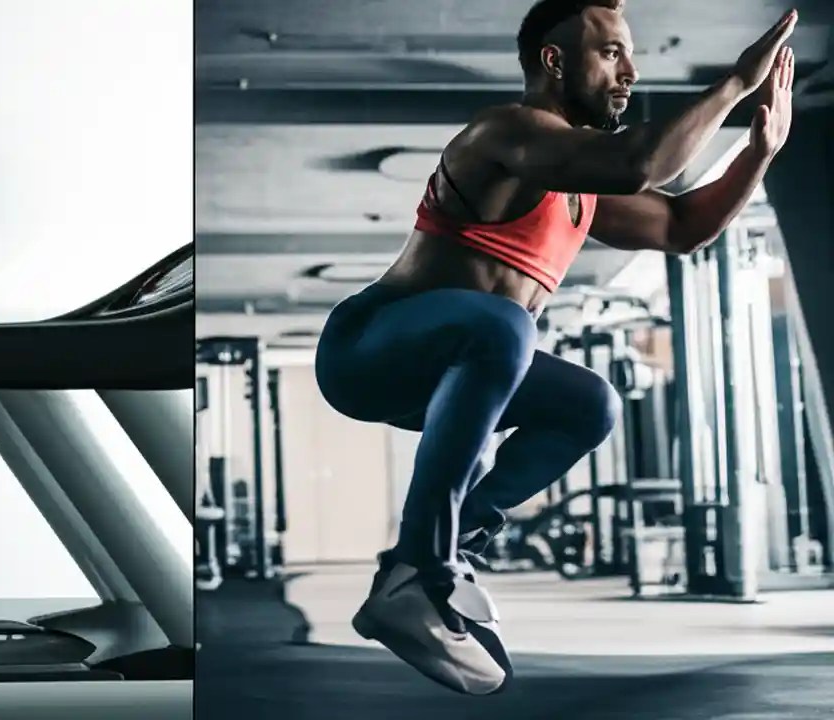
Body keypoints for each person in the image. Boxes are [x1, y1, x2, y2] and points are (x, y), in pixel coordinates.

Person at [314, 0, 796, 696]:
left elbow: (682, 227)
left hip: (448, 374)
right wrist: (735, 85)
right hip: (366, 351)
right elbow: (638, 164)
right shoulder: (503, 133)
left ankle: (453, 545)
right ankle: (419, 569)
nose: (630, 73)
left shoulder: (579, 189)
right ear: (554, 60)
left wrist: (759, 152)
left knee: (590, 403)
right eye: (612, 53)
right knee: (506, 326)